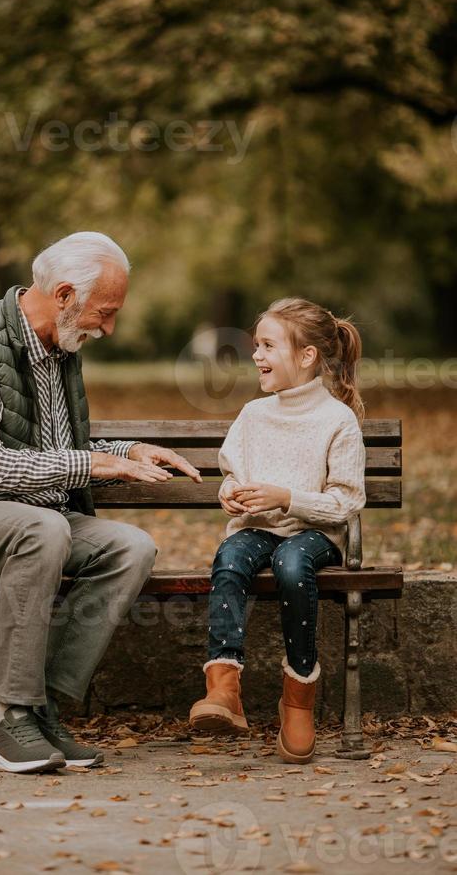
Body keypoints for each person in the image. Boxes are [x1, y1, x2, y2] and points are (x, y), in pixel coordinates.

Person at [0, 232, 202, 774]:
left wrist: (127, 452)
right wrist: (93, 465)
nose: (109, 328)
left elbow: (57, 449)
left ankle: (40, 711)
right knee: (43, 529)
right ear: (65, 295)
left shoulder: (60, 347)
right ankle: (7, 720)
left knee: (131, 548)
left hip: (35, 515)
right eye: (106, 312)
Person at [188, 297, 366, 764]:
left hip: (315, 534)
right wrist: (229, 492)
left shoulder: (337, 420)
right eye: (256, 346)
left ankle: (298, 697)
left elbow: (346, 502)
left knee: (291, 562)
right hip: (260, 528)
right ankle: (224, 687)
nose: (256, 355)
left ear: (306, 356)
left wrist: (287, 498)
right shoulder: (253, 415)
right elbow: (233, 473)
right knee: (230, 556)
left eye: (268, 346)